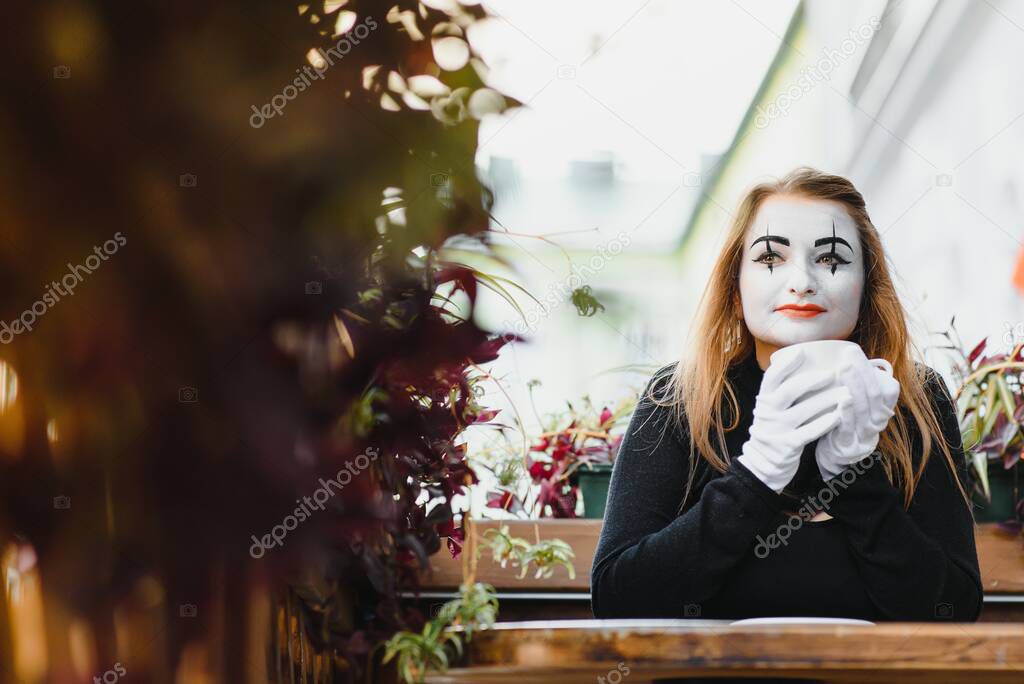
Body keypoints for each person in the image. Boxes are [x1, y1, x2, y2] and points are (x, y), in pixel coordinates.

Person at [591, 167, 982, 623]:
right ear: (735, 287)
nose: (802, 281)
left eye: (831, 258)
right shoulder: (678, 399)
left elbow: (952, 609)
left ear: (867, 287)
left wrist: (854, 480)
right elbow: (618, 600)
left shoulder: (916, 399)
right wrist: (755, 477)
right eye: (770, 259)